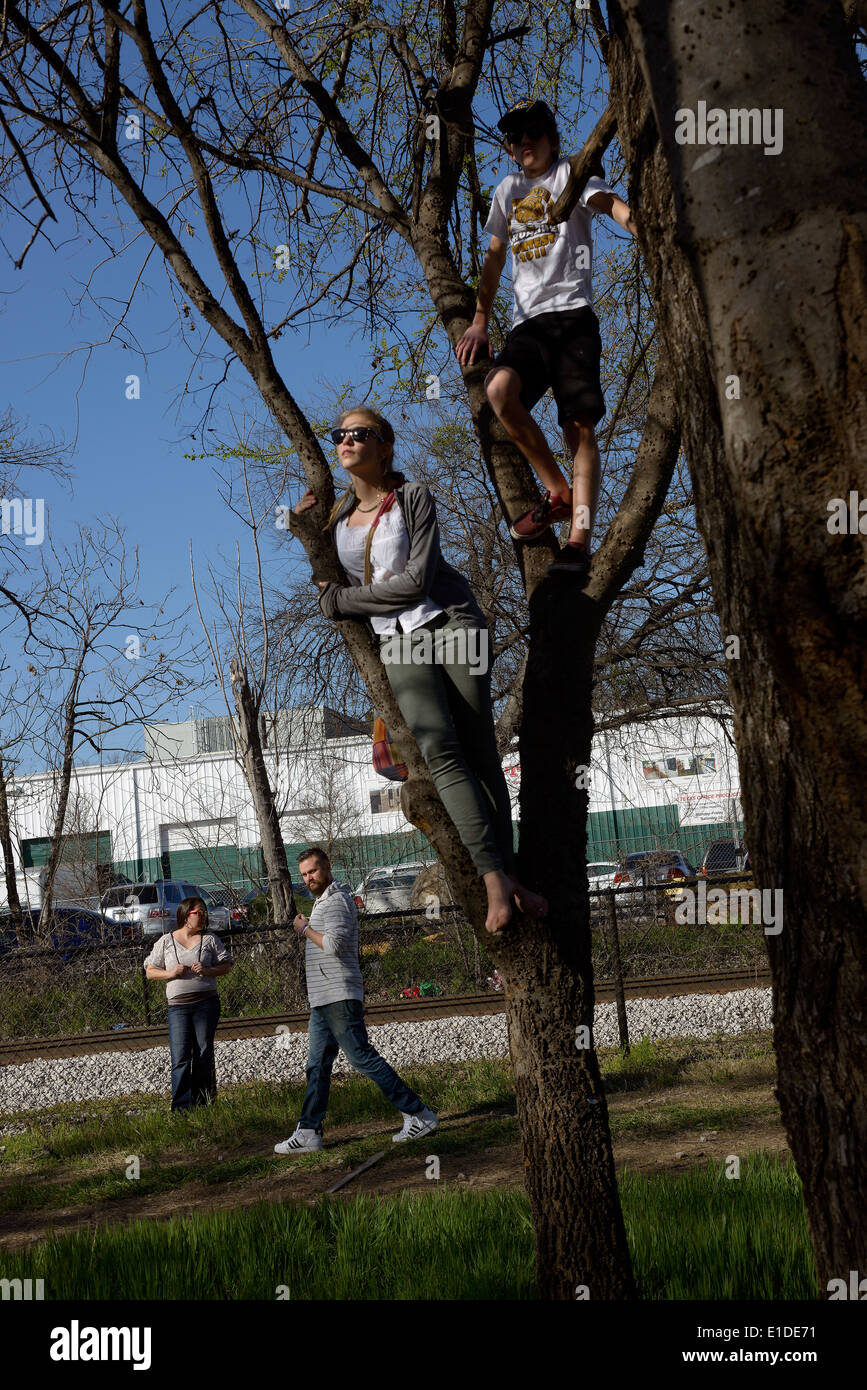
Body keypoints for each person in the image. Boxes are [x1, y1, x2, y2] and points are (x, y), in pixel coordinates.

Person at [294, 405, 548, 933]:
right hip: (397, 642)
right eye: (339, 434)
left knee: (481, 752)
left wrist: (344, 601)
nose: (346, 441)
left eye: (360, 434)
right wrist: (303, 526)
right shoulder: (336, 518)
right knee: (439, 750)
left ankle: (515, 877)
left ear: (385, 446)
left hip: (455, 625)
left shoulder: (413, 498)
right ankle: (494, 881)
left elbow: (414, 582)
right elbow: (334, 580)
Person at [455, 98, 637, 576]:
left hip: (572, 316)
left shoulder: (570, 173)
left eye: (534, 131)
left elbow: (607, 202)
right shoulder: (509, 189)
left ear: (552, 138)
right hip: (527, 324)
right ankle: (557, 491)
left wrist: (639, 223)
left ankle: (578, 540)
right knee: (498, 390)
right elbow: (494, 258)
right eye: (515, 137)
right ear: (511, 149)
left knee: (578, 425)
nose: (525, 141)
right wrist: (479, 318)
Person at [274, 847, 438, 1153]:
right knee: (318, 1065)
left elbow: (334, 945)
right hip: (324, 999)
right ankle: (309, 1131)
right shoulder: (325, 901)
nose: (309, 878)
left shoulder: (335, 901)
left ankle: (419, 1114)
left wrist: (305, 928)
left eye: (313, 871)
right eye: (305, 874)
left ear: (327, 867)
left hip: (337, 996)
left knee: (361, 1057)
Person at [144, 897, 233, 1112]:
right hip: (178, 1008)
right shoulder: (166, 941)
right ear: (186, 915)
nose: (203, 916)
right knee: (180, 1057)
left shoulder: (210, 939)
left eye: (204, 912)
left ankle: (204, 1104)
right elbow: (149, 971)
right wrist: (170, 973)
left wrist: (208, 970)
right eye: (198, 912)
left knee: (203, 1054)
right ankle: (181, 1109)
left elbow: (227, 965)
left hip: (206, 1004)